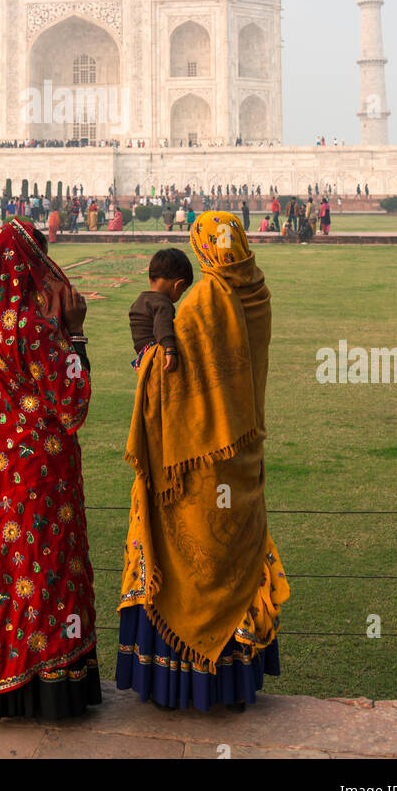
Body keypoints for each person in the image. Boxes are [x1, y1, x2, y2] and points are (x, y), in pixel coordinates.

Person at [115, 211, 289, 711]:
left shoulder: (205, 304)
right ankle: (232, 681)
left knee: (195, 565)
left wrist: (146, 355)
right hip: (243, 454)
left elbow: (162, 374)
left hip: (196, 463)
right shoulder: (255, 291)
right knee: (235, 560)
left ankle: (184, 684)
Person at [0, 219, 99, 720]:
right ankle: (53, 684)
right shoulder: (33, 329)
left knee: (5, 570)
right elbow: (73, 403)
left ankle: (2, 679)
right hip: (41, 477)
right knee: (47, 573)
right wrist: (76, 336)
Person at [128, 247, 193, 373]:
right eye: (182, 291)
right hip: (157, 355)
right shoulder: (163, 304)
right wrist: (170, 350)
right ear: (178, 284)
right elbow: (162, 327)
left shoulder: (140, 299)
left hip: (142, 357)